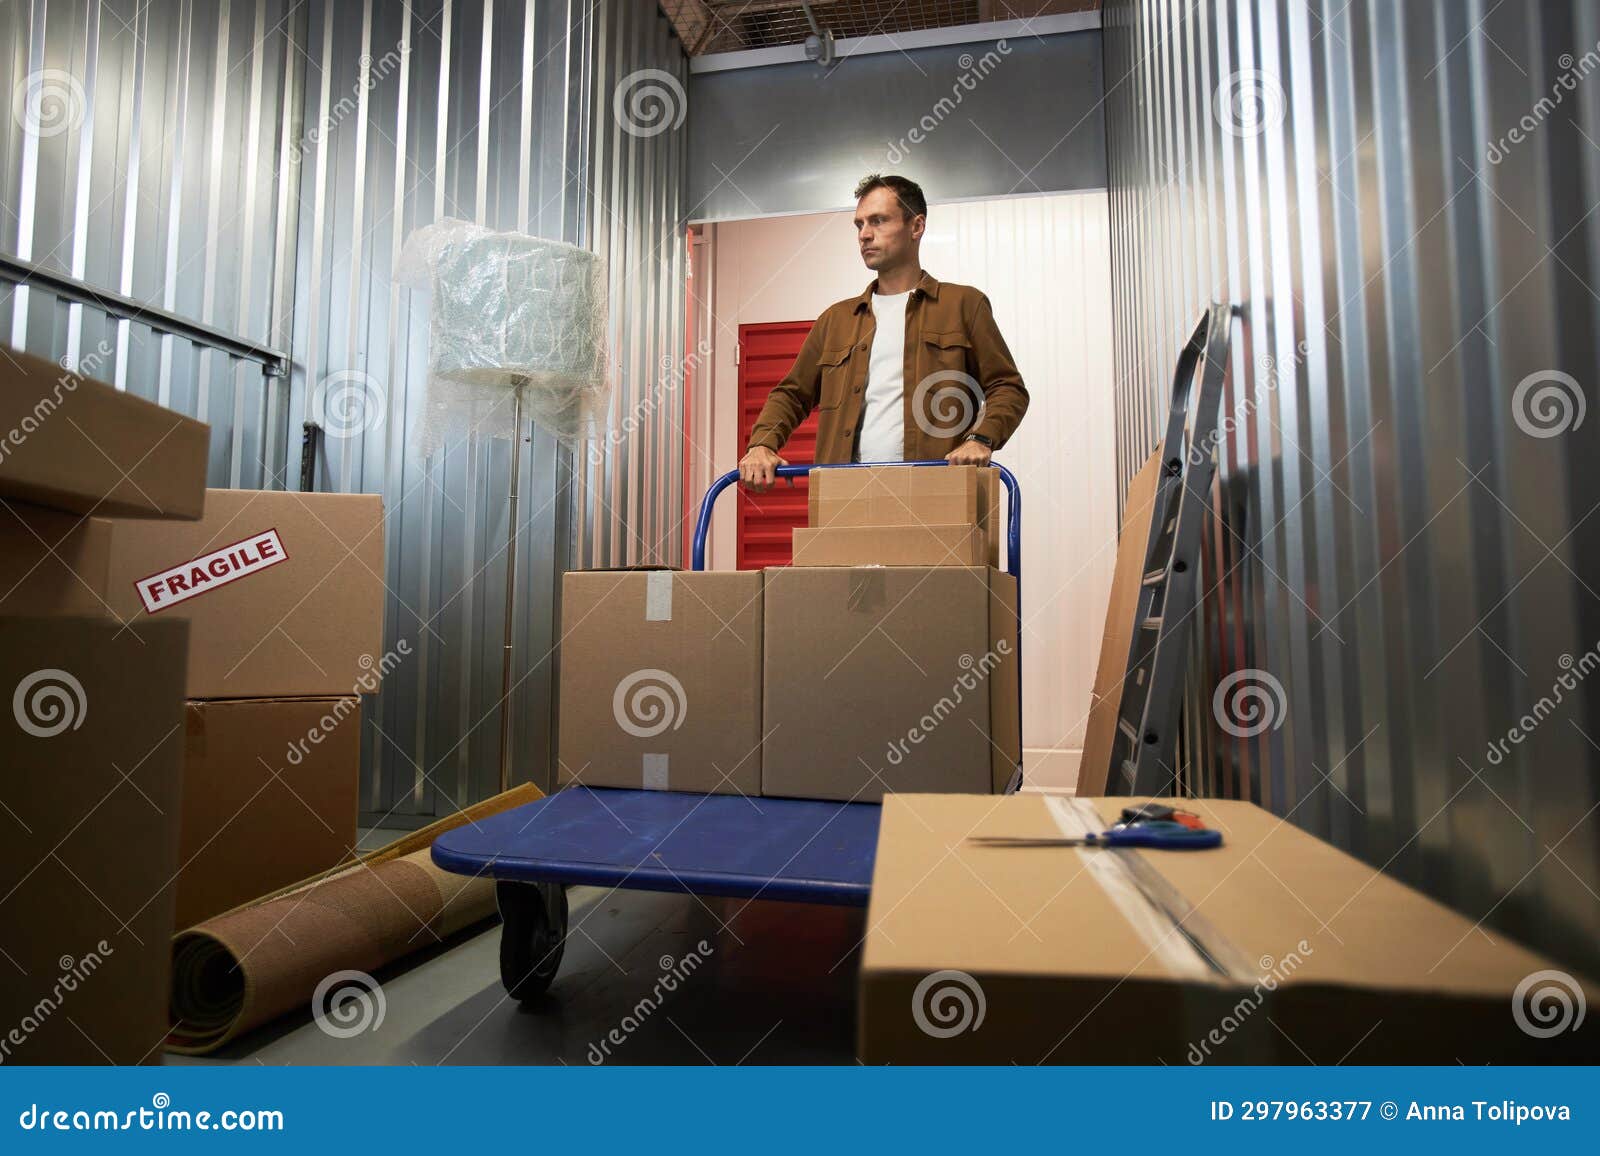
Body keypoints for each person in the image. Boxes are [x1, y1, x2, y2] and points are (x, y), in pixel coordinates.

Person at [738, 173, 1028, 491]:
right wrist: (762, 444)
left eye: (877, 221)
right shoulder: (836, 320)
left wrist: (980, 439)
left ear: (916, 226)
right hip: (845, 497)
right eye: (859, 225)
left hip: (937, 494)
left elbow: (1007, 388)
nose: (864, 235)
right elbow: (791, 395)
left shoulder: (963, 305)